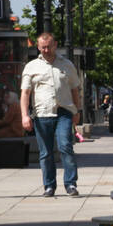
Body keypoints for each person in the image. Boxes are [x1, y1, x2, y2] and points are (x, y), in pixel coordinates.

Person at [20, 32, 82, 197]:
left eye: (49, 46)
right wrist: (25, 116)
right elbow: (25, 93)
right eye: (42, 47)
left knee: (65, 146)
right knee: (45, 152)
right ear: (38, 47)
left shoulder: (67, 64)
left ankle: (70, 184)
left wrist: (77, 111)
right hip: (42, 113)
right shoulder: (31, 67)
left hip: (64, 112)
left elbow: (75, 90)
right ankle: (49, 186)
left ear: (55, 45)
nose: (46, 50)